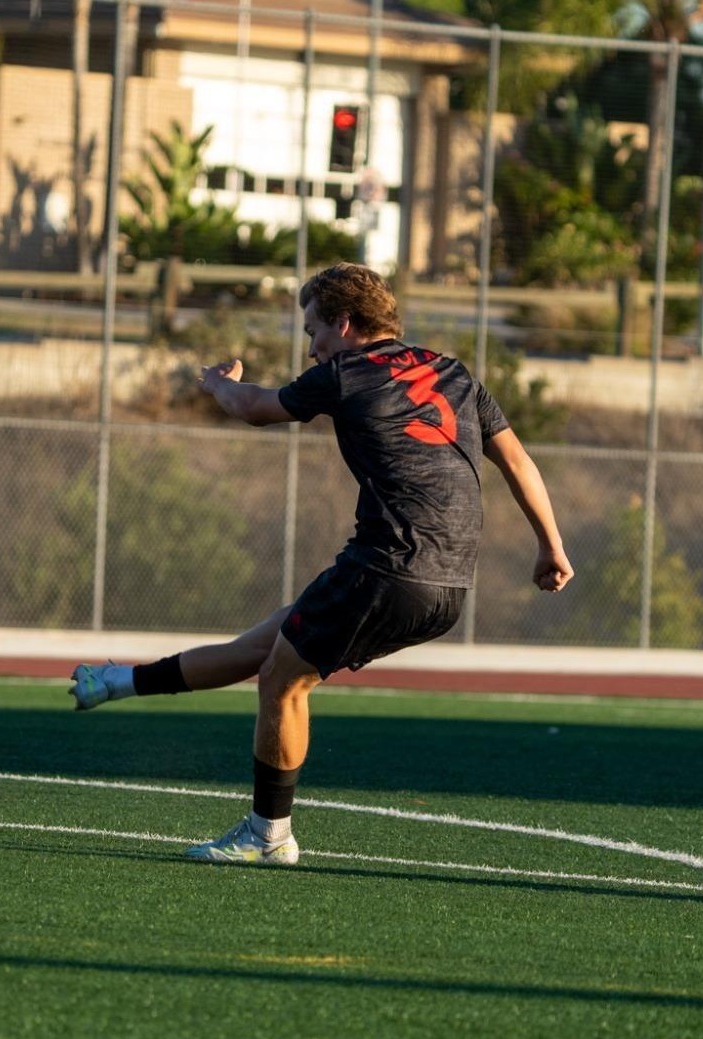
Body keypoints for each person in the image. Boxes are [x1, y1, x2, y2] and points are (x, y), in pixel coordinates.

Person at [68, 263, 573, 865]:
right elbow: (517, 461)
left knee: (282, 681)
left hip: (388, 566)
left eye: (313, 330)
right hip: (449, 583)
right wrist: (551, 545)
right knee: (267, 649)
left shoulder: (346, 372)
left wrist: (217, 383)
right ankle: (115, 682)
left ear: (345, 322)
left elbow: (254, 407)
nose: (311, 347)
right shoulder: (453, 372)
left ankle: (267, 836)